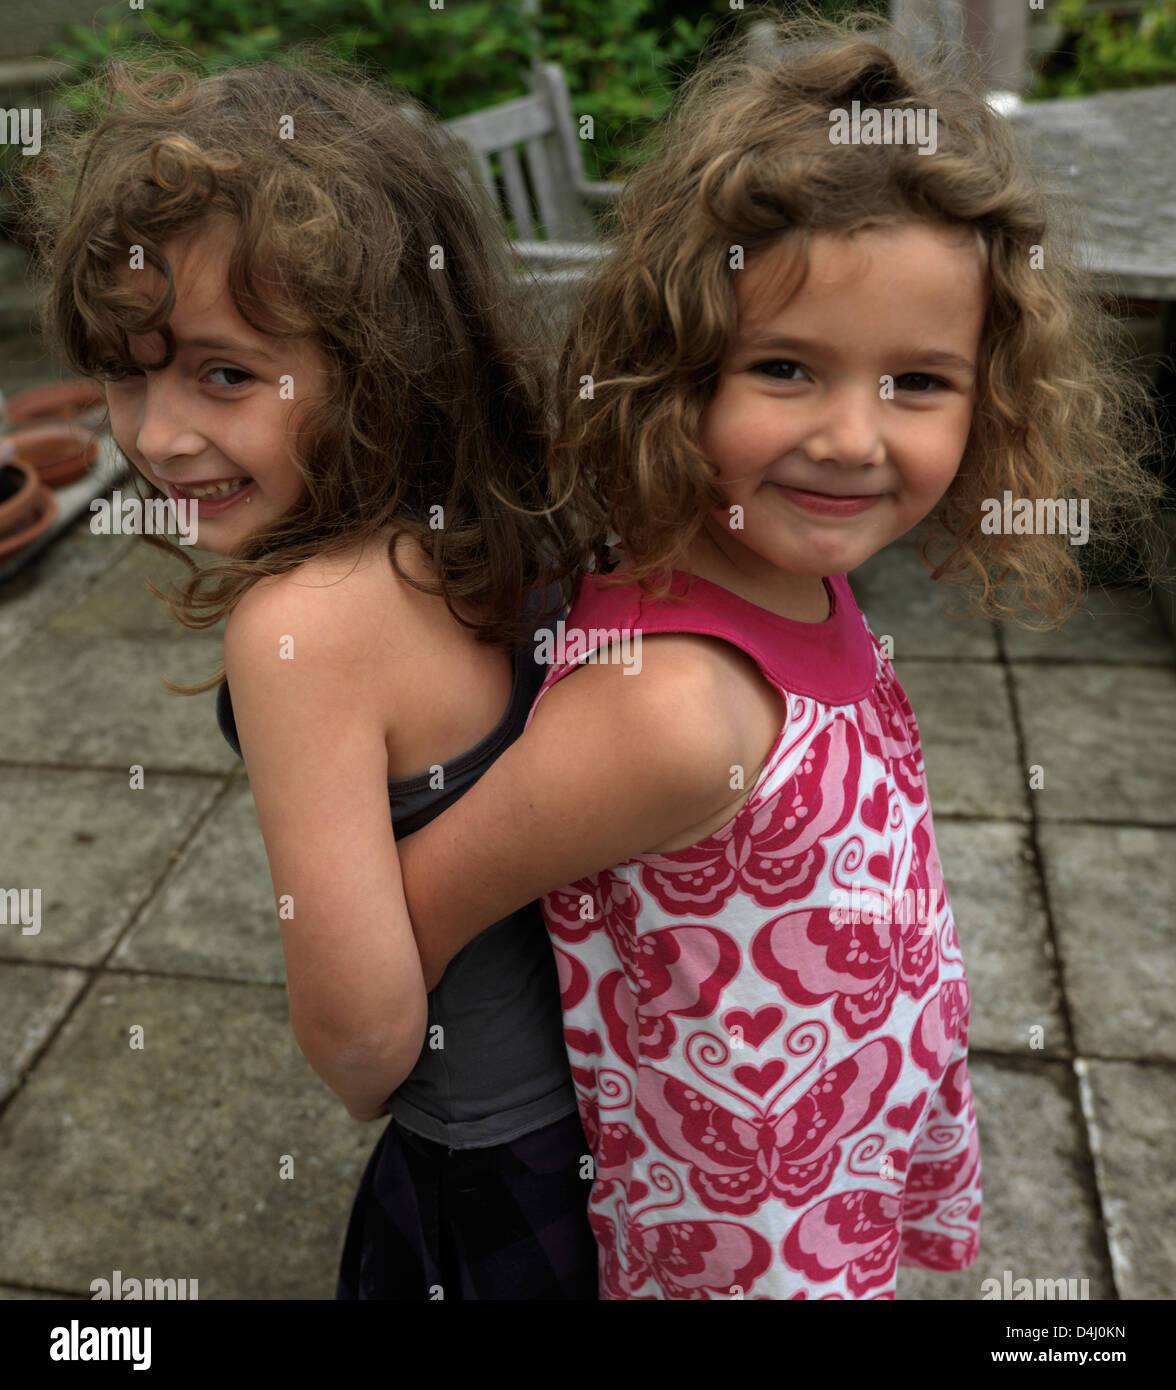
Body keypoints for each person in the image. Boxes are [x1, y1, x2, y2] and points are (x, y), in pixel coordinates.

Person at [394, 10, 1165, 1299]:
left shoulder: (800, 573)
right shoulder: (678, 708)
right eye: (788, 366)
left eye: (919, 382)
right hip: (741, 1236)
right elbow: (414, 911)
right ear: (678, 370)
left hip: (840, 1125)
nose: (856, 438)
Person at [26, 51, 600, 1300]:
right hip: (625, 1124)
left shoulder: (303, 630)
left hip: (489, 1158)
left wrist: (356, 1079)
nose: (162, 435)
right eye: (127, 371)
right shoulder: (525, 512)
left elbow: (363, 1031)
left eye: (226, 374)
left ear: (382, 353)